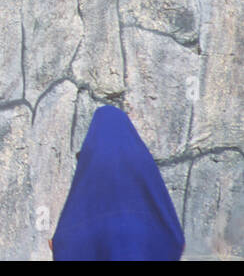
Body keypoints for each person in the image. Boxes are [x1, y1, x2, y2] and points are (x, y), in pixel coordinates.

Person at [51, 106, 184, 261]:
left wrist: (62, 242)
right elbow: (158, 201)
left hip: (100, 235)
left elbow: (78, 207)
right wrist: (172, 236)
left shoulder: (93, 156)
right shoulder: (140, 155)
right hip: (140, 235)